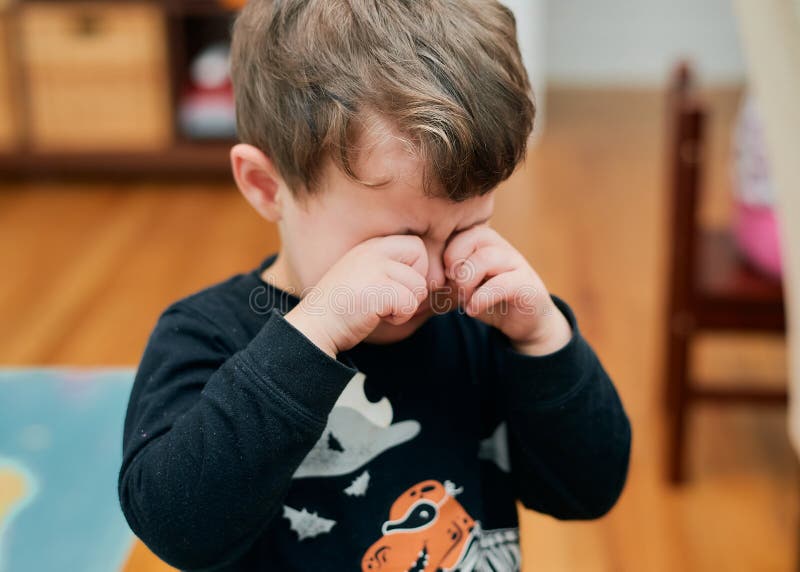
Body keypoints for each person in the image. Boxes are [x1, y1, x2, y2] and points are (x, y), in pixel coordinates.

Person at [118, 1, 632, 570]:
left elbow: (588, 489)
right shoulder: (206, 336)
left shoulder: (482, 325)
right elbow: (178, 529)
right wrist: (315, 331)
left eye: (467, 227)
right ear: (267, 187)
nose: (436, 278)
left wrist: (544, 341)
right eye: (397, 240)